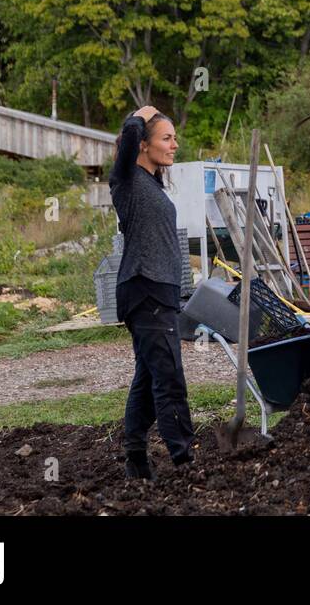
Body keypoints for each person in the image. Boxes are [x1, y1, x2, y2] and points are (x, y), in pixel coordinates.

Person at [109, 105, 195, 479]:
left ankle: (136, 461)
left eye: (174, 137)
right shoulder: (126, 179)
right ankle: (184, 460)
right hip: (145, 288)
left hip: (157, 291)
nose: (175, 144)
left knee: (148, 378)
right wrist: (138, 115)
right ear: (142, 145)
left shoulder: (152, 183)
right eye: (166, 137)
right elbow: (128, 136)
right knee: (169, 377)